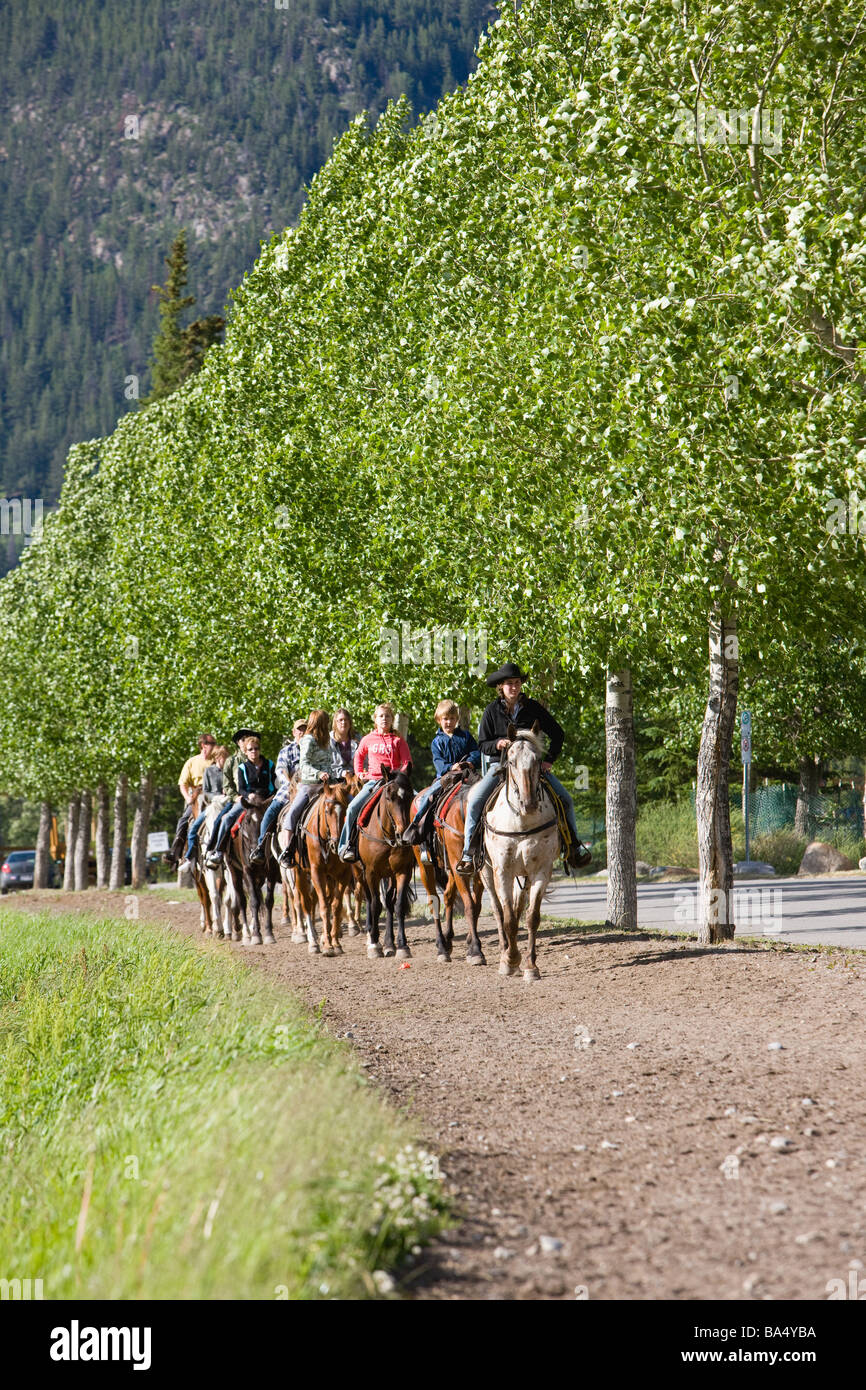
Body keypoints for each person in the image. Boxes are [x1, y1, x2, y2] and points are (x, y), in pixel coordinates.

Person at [453, 663, 589, 875]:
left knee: (565, 799)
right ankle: (469, 853)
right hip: (500, 766)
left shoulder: (533, 708)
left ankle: (574, 847)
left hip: (533, 768)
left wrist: (548, 761)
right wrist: (497, 744)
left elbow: (558, 734)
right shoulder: (490, 711)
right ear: (501, 686)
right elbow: (482, 744)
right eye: (509, 684)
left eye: (517, 683)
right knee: (475, 802)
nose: (514, 687)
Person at [255, 708, 333, 867]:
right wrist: (315, 775)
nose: (302, 732)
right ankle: (268, 846)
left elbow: (329, 763)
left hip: (324, 783)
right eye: (300, 730)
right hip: (302, 785)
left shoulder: (325, 742)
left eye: (304, 729)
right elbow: (296, 767)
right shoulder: (296, 746)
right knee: (285, 813)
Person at [401, 700, 480, 852]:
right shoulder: (437, 742)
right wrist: (451, 767)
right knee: (428, 797)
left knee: (484, 792)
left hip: (467, 775)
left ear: (457, 719)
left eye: (452, 718)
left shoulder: (465, 736)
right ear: (438, 719)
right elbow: (438, 762)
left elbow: (476, 752)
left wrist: (470, 762)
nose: (448, 722)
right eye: (445, 718)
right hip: (446, 778)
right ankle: (418, 827)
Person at [337, 703, 411, 862]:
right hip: (374, 781)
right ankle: (346, 845)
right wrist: (359, 773)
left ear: (392, 720)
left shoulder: (398, 740)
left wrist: (401, 776)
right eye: (381, 716)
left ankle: (421, 845)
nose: (384, 719)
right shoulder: (367, 739)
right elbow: (358, 757)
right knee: (351, 808)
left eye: (388, 716)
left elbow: (407, 762)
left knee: (419, 803)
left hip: (395, 783)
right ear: (375, 720)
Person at [204, 730, 275, 866]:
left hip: (264, 799)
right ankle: (217, 850)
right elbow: (228, 785)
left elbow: (272, 782)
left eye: (255, 747)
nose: (252, 749)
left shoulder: (266, 762)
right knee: (226, 819)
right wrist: (236, 797)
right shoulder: (232, 761)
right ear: (239, 743)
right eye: (243, 740)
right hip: (241, 799)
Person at [166, 734, 216, 864]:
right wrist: (188, 798)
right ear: (203, 745)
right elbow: (183, 784)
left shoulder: (218, 760)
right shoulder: (191, 762)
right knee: (184, 820)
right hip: (197, 796)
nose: (214, 746)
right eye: (212, 743)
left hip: (215, 795)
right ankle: (176, 851)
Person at [183, 745, 229, 862]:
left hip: (228, 801)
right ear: (218, 758)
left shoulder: (230, 770)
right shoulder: (209, 771)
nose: (227, 759)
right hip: (213, 804)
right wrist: (216, 797)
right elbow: (206, 791)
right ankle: (189, 857)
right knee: (194, 828)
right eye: (225, 757)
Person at [330, 708, 359, 779]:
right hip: (335, 779)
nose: (343, 722)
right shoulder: (329, 740)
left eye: (346, 719)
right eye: (340, 720)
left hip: (355, 778)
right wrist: (341, 773)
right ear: (335, 723)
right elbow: (326, 764)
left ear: (350, 722)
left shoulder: (358, 738)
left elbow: (364, 761)